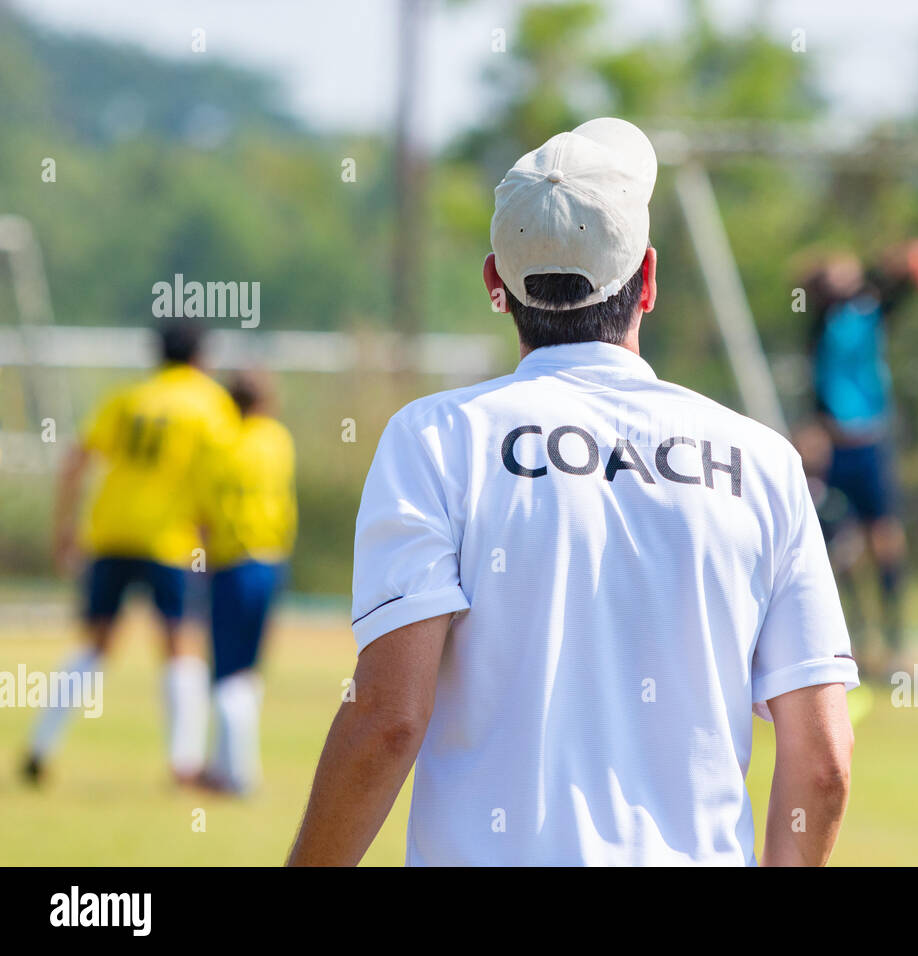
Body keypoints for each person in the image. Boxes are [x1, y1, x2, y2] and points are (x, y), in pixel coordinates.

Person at [288, 117, 858, 866]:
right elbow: (823, 764)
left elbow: (388, 723)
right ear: (648, 280)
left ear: (496, 283)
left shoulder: (434, 439)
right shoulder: (764, 462)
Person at [25, 319, 239, 784]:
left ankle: (40, 745)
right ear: (200, 357)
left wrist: (65, 527)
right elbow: (222, 481)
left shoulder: (128, 397)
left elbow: (76, 461)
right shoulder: (209, 404)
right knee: (180, 645)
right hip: (169, 541)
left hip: (110, 535)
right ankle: (183, 765)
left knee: (93, 644)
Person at [800, 232, 918, 670]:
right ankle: (852, 636)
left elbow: (891, 278)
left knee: (885, 536)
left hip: (869, 441)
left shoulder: (871, 307)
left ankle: (895, 637)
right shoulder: (821, 322)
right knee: (837, 544)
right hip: (833, 447)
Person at [197, 370, 297, 793]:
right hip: (273, 562)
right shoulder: (278, 440)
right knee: (250, 670)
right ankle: (227, 765)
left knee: (226, 670)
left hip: (233, 562)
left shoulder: (221, 445)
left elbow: (203, 511)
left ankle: (237, 774)